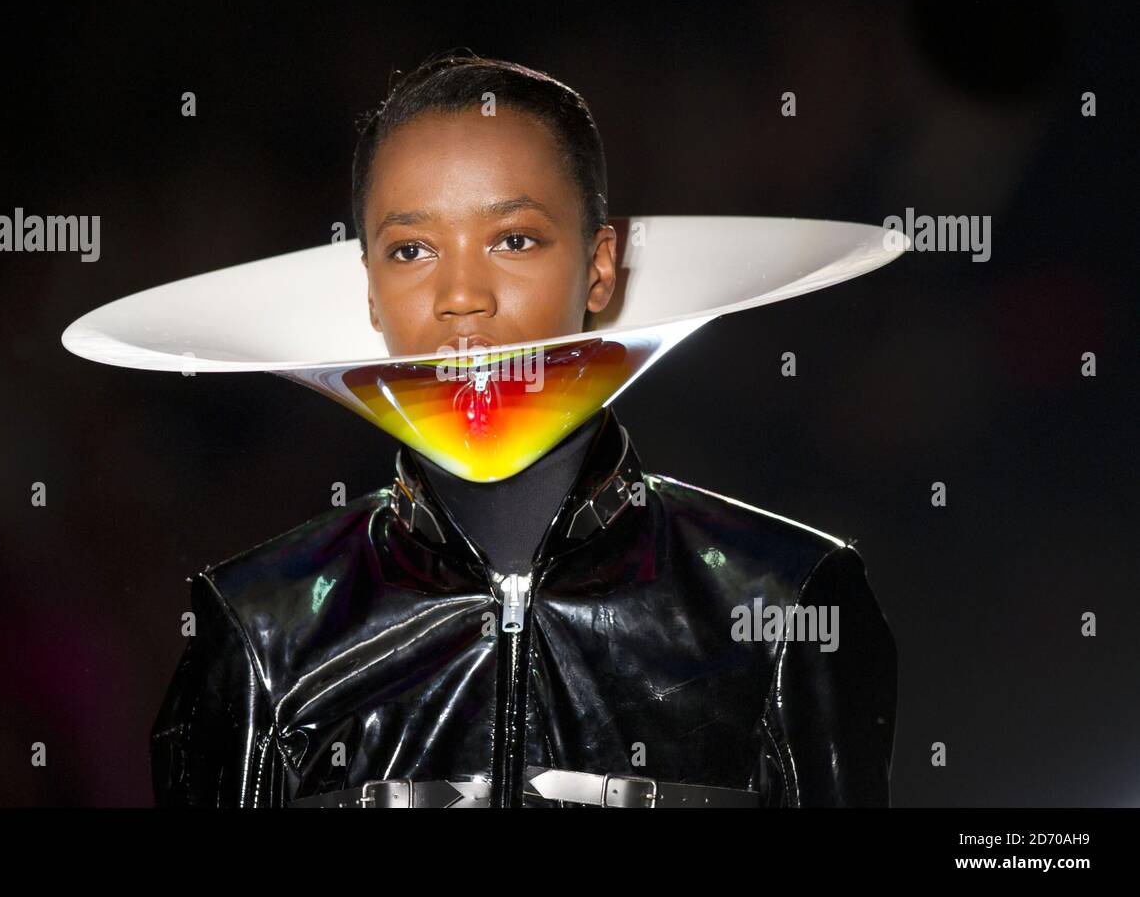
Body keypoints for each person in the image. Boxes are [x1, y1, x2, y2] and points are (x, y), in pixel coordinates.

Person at [149, 49, 898, 808]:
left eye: (513, 238)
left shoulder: (783, 599)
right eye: (412, 249)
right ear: (370, 289)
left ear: (600, 266)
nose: (462, 295)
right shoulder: (260, 626)